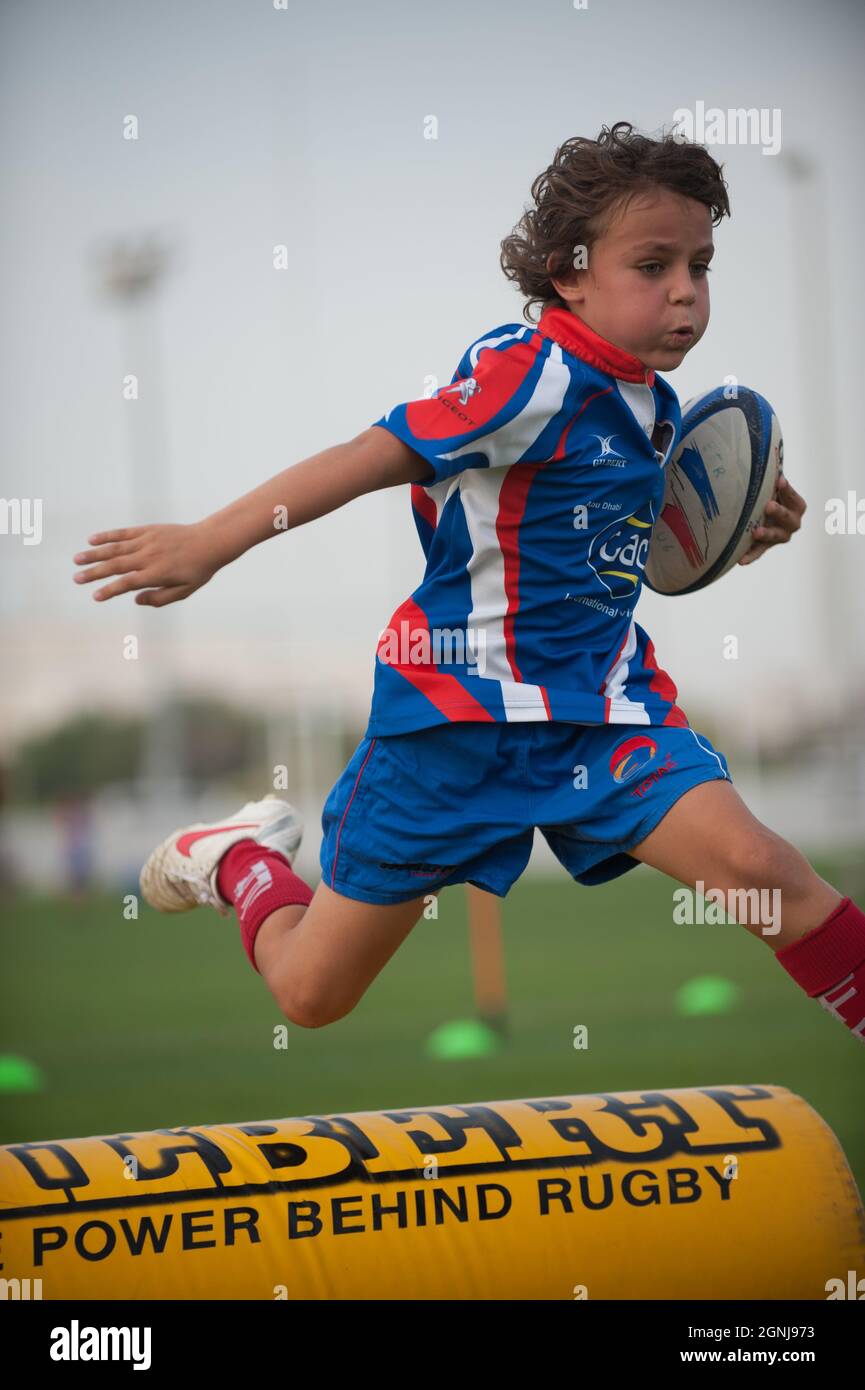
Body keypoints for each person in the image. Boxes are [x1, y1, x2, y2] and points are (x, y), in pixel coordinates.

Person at [73, 121, 864, 1045]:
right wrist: (211, 539)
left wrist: (735, 535)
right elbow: (371, 455)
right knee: (311, 995)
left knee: (760, 869)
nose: (685, 292)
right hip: (449, 721)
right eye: (652, 266)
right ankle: (241, 860)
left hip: (601, 714)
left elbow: (622, 548)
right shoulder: (526, 373)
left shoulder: (657, 409)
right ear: (570, 277)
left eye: (700, 264)